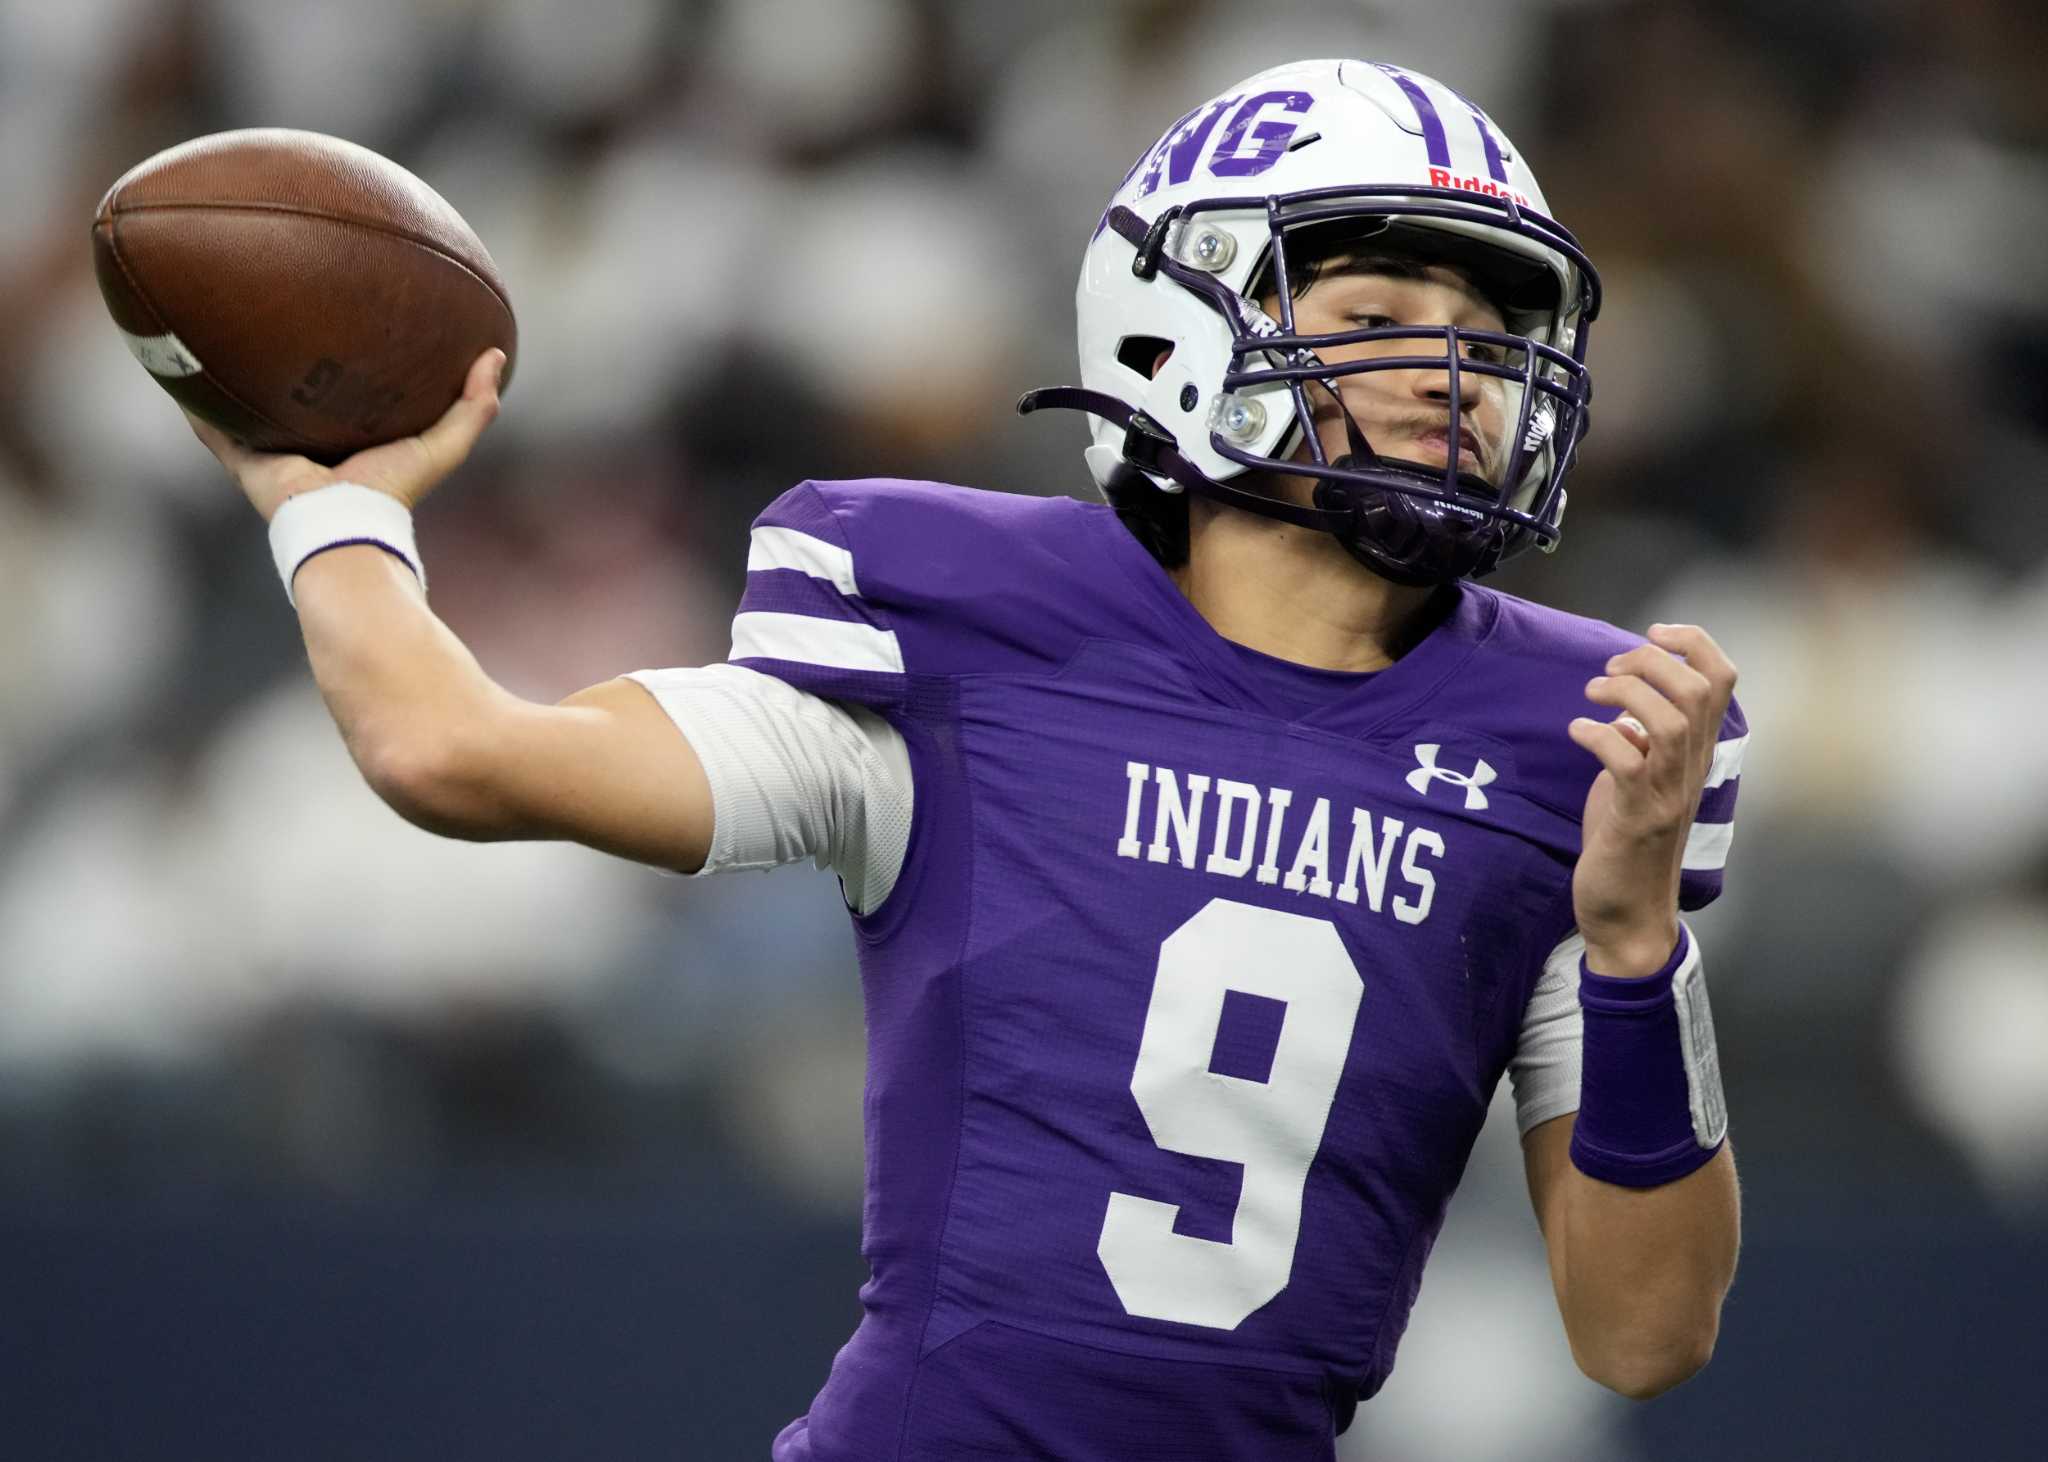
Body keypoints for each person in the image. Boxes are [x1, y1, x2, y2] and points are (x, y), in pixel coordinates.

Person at [189, 58, 1744, 1462]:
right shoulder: (970, 650)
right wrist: (332, 508)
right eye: (1374, 314)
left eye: (1492, 330)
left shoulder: (1563, 748)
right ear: (1188, 320)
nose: (1452, 371)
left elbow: (1644, 1335)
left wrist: (1635, 947)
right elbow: (452, 750)